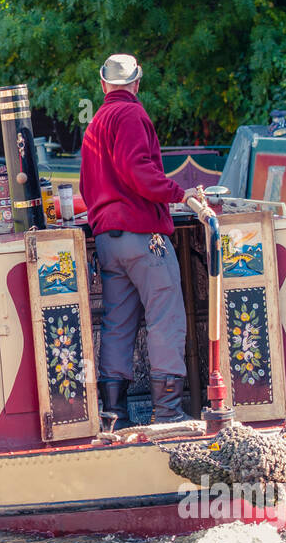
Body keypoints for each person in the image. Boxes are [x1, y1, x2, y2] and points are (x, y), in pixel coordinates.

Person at [80, 53, 201, 427]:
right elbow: (139, 172)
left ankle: (114, 414)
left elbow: (87, 187)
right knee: (166, 320)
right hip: (142, 237)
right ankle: (167, 413)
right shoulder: (132, 115)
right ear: (137, 82)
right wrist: (181, 194)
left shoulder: (95, 122)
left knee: (118, 325)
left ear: (103, 85)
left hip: (107, 240)